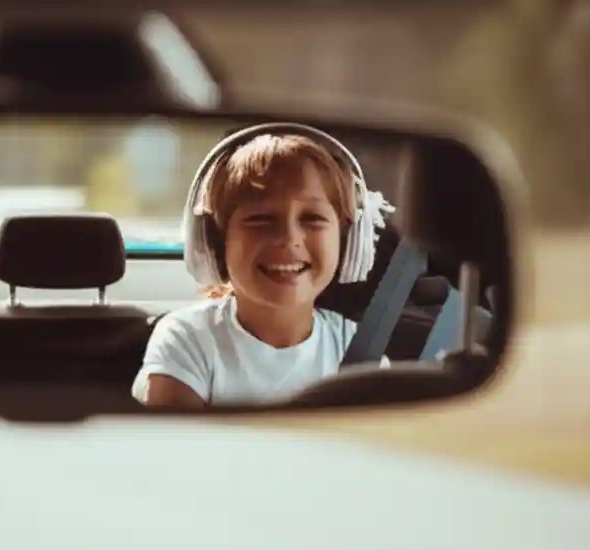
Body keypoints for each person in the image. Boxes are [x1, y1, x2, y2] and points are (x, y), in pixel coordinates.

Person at [133, 125, 395, 409]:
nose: (289, 238)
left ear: (348, 242)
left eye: (312, 218)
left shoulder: (360, 349)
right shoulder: (188, 338)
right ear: (217, 243)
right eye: (260, 219)